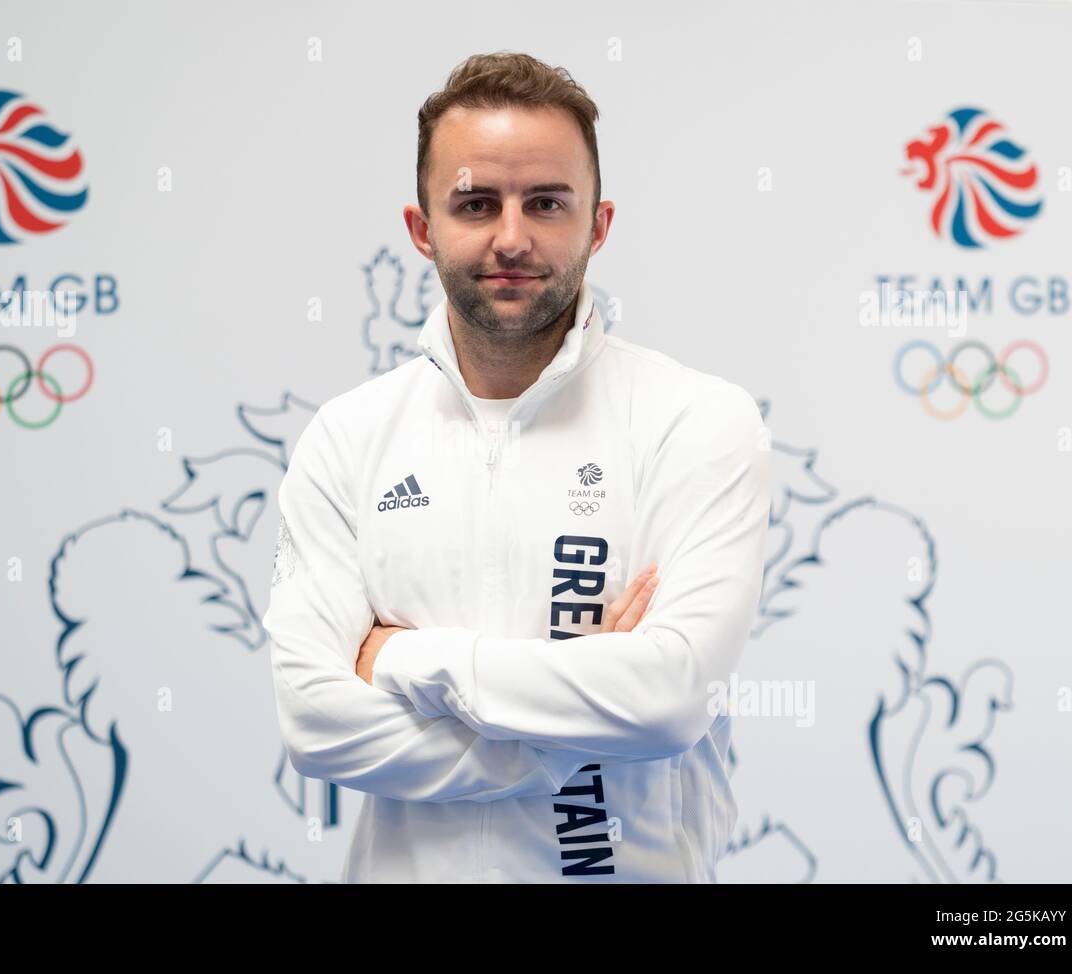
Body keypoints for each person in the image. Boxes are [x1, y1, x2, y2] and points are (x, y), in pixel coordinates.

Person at [263, 51, 772, 882]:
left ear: (598, 225)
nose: (511, 236)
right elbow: (316, 722)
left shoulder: (697, 420)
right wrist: (562, 743)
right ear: (422, 228)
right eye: (475, 203)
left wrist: (401, 661)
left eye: (545, 202)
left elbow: (669, 697)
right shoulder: (348, 437)